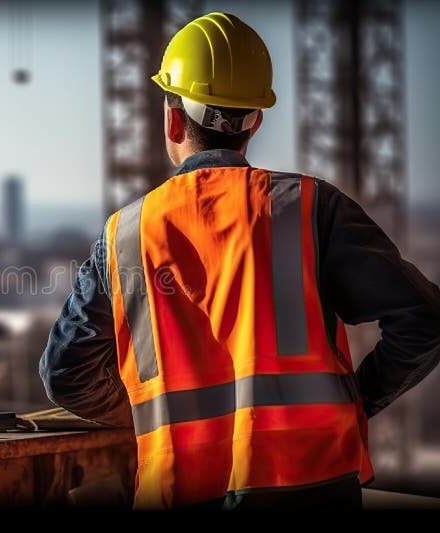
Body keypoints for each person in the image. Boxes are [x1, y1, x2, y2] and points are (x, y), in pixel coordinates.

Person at [39, 12, 440, 510]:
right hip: (309, 490)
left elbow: (64, 375)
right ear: (256, 121)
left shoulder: (126, 236)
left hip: (177, 490)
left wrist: (150, 415)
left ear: (171, 118)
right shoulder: (310, 208)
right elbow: (425, 320)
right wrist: (355, 400)